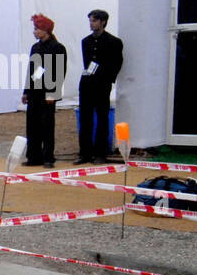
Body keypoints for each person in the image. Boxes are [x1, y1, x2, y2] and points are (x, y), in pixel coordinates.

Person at [76, 10, 124, 164]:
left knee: (102, 118)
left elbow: (117, 62)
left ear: (103, 22)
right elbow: (88, 63)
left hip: (102, 84)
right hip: (87, 84)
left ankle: (100, 153)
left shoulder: (114, 42)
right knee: (85, 119)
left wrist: (109, 79)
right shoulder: (86, 41)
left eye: (95, 21)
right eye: (90, 21)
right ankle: (85, 153)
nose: (92, 24)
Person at [23, 14, 68, 168]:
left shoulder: (57, 48)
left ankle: (48, 156)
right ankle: (33, 156)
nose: (34, 32)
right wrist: (26, 91)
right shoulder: (35, 47)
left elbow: (60, 72)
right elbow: (31, 70)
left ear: (45, 30)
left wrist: (53, 94)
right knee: (32, 125)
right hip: (35, 91)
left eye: (36, 29)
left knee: (47, 126)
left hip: (47, 92)